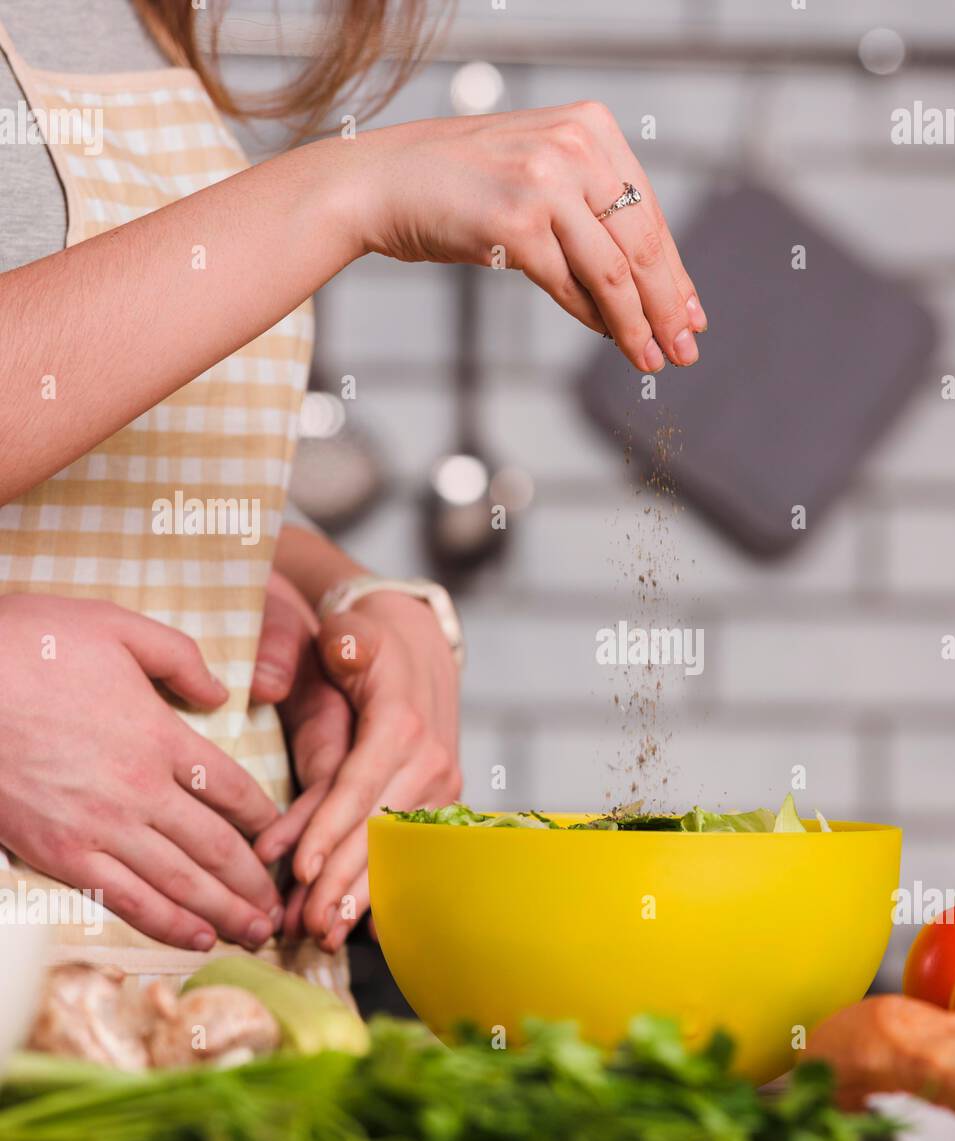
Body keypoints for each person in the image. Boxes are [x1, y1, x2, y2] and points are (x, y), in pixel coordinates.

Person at [0, 0, 705, 996]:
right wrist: (342, 191)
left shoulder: (133, 19)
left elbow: (89, 470)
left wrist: (340, 592)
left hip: (217, 1018)